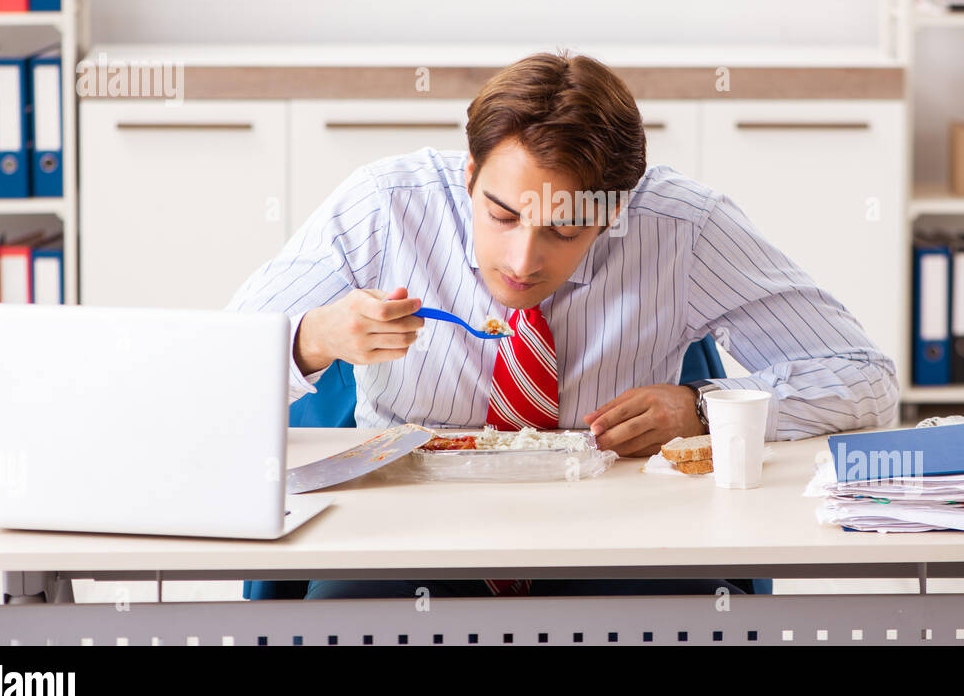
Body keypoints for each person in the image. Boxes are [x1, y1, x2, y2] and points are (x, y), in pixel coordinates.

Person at [227, 50, 899, 598]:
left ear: (615, 211)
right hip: (403, 544)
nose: (522, 260)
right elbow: (213, 369)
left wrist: (702, 406)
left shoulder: (685, 228)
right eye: (501, 214)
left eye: (564, 228)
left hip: (622, 541)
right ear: (469, 174)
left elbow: (864, 378)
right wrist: (312, 339)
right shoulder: (384, 207)